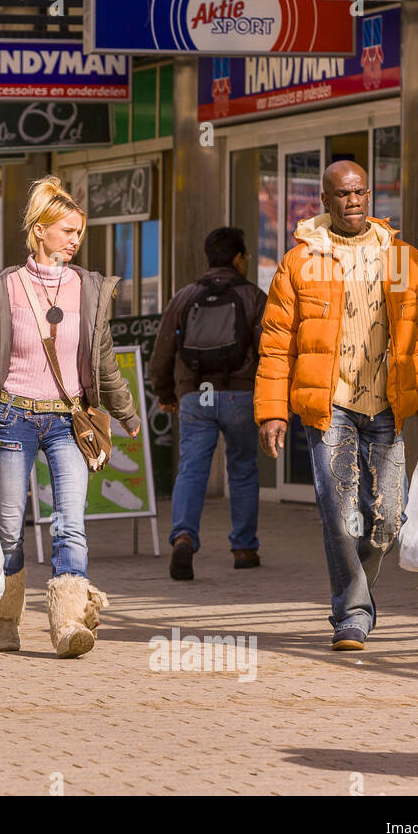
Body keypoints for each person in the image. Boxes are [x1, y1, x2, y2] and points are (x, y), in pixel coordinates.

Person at [255, 160, 418, 652]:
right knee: (340, 514)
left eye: (360, 192)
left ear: (371, 195)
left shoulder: (402, 258)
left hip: (386, 403)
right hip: (330, 404)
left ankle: (355, 590)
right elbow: (277, 344)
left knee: (388, 519)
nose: (353, 201)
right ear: (324, 201)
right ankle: (352, 614)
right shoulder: (301, 262)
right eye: (342, 194)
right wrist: (272, 411)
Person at [0, 175, 142, 658]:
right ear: (40, 231)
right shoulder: (2, 291)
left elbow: (102, 359)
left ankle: (67, 624)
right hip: (13, 418)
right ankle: (4, 619)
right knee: (9, 525)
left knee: (70, 522)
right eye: (67, 231)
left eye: (79, 232)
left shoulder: (89, 289)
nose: (75, 240)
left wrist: (125, 411)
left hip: (68, 420)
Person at [150, 227, 267, 580]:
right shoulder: (253, 297)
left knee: (192, 470)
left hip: (195, 394)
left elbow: (163, 349)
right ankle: (244, 548)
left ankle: (184, 536)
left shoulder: (186, 296)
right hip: (240, 394)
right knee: (243, 469)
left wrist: (166, 392)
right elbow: (269, 349)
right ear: (238, 259)